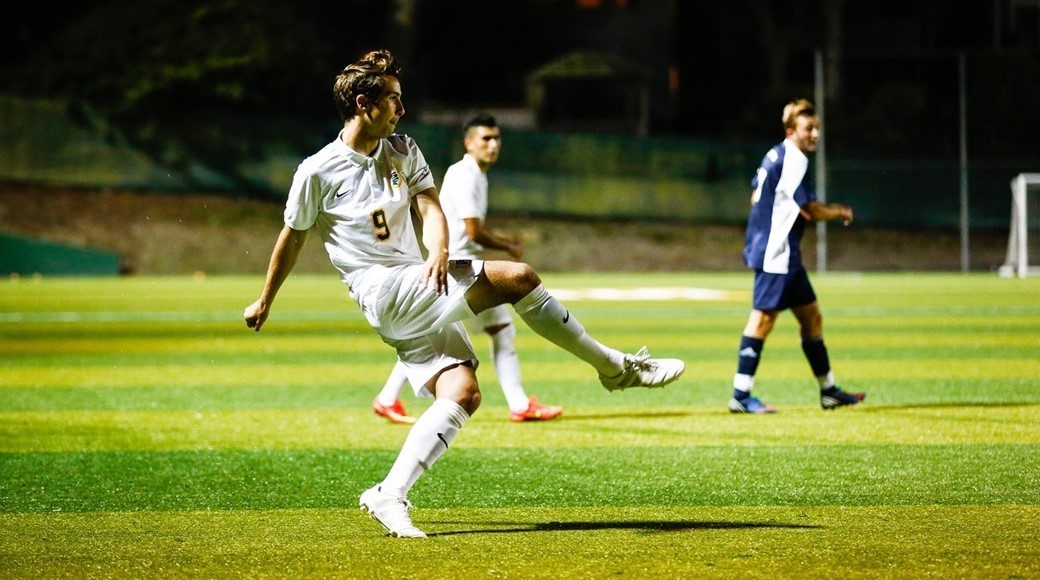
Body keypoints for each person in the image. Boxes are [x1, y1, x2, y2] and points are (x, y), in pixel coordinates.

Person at [243, 49, 685, 538]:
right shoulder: (318, 170)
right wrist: (266, 299)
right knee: (519, 277)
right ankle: (614, 369)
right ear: (364, 103)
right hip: (383, 292)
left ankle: (390, 493)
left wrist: (438, 250)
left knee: (463, 393)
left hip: (418, 279)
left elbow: (430, 208)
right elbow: (293, 236)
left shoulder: (403, 150)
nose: (401, 109)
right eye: (392, 100)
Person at [372, 113, 562, 424]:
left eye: (497, 138)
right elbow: (473, 231)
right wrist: (508, 246)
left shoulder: (471, 172)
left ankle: (387, 398)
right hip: (461, 267)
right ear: (469, 143)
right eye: (486, 138)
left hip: (454, 264)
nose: (493, 144)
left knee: (432, 330)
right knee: (489, 331)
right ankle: (518, 404)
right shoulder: (468, 174)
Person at [729, 98, 865, 414]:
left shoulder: (774, 154)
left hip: (783, 253)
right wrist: (839, 212)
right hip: (777, 252)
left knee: (811, 316)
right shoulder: (793, 159)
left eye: (817, 128)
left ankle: (829, 390)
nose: (815, 134)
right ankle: (740, 394)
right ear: (792, 131)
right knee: (762, 320)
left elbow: (756, 193)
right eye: (808, 128)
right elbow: (810, 209)